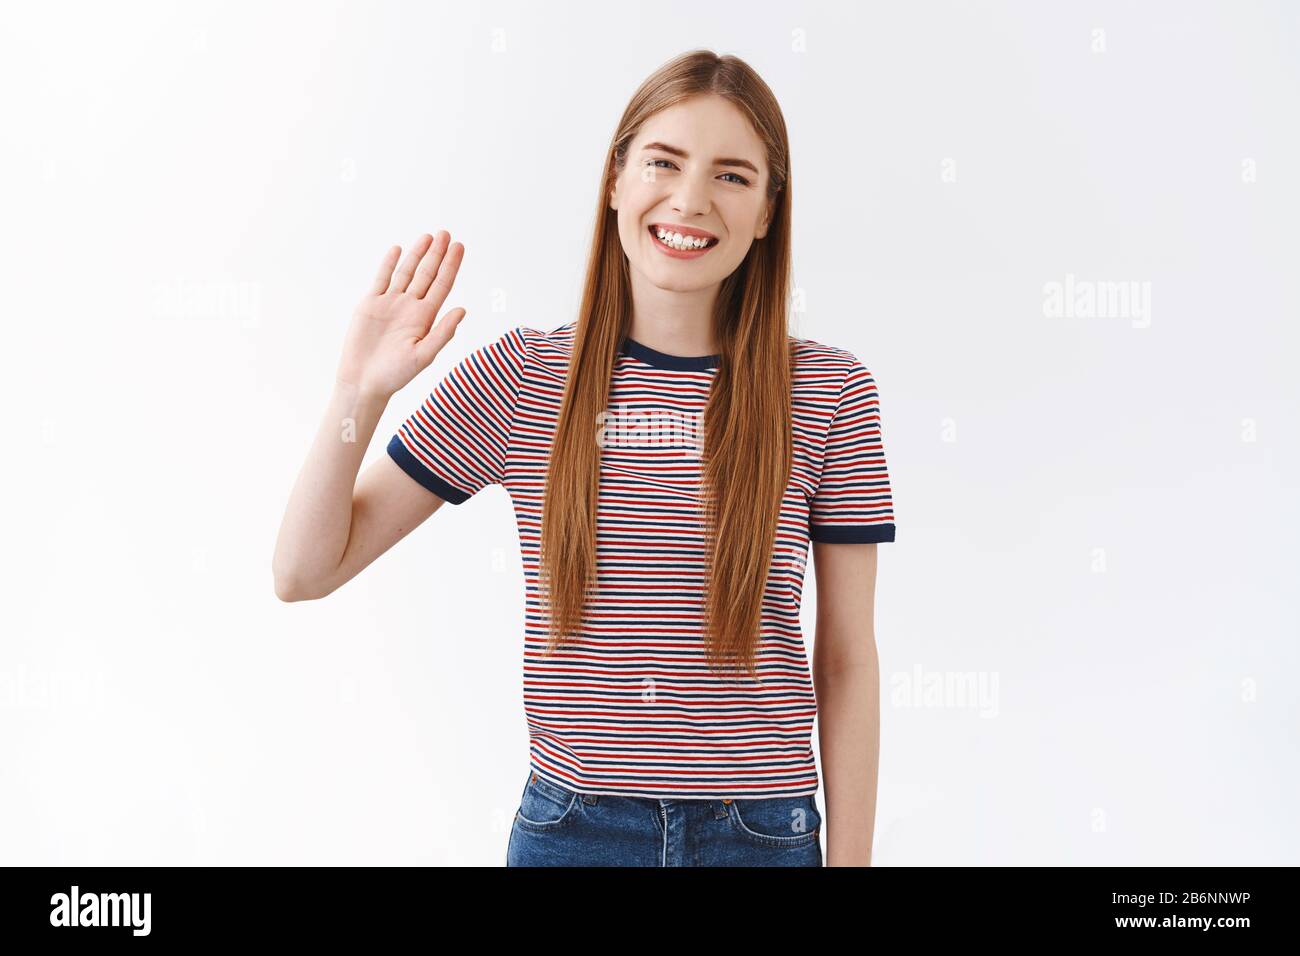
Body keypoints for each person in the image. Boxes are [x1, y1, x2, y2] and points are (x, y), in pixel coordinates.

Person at [273, 49, 897, 867]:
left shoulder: (829, 391)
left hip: (763, 836)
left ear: (769, 212)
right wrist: (358, 392)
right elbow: (304, 571)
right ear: (616, 181)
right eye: (663, 163)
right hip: (574, 834)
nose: (690, 199)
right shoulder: (524, 378)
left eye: (732, 176)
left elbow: (846, 657)